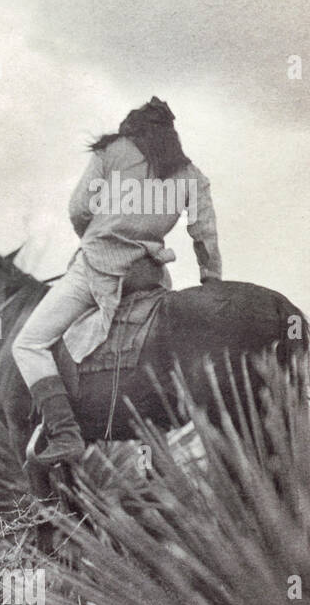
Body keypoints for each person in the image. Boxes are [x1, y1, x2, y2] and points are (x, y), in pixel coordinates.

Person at [11, 97, 222, 464]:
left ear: (134, 128)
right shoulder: (190, 174)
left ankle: (64, 433)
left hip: (98, 267)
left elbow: (78, 208)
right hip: (148, 275)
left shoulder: (111, 152)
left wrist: (97, 236)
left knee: (28, 344)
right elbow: (204, 232)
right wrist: (210, 279)